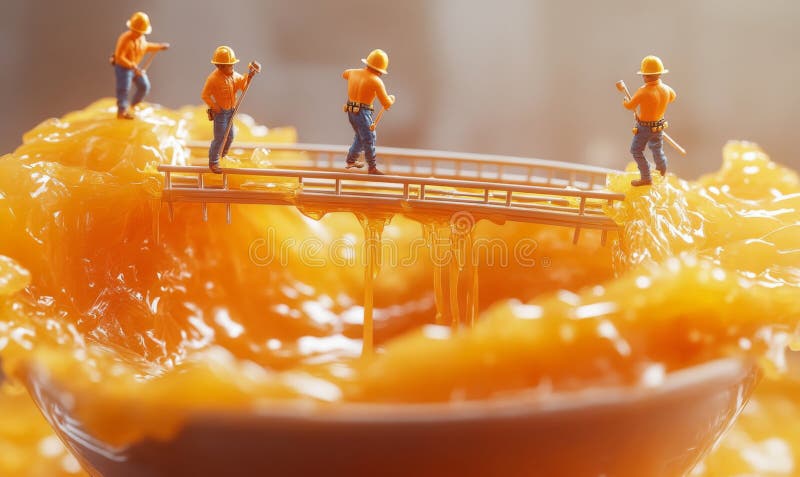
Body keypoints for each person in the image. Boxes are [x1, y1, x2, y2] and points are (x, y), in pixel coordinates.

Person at [201, 46, 260, 173]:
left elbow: (243, 85)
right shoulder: (213, 79)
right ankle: (213, 162)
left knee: (231, 136)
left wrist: (249, 76)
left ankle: (223, 156)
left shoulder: (234, 75)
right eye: (229, 65)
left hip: (231, 112)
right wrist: (213, 105)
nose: (232, 68)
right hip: (220, 113)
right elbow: (204, 95)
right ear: (220, 66)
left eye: (232, 65)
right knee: (219, 138)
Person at [623, 55, 677, 187]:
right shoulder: (667, 89)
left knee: (636, 150)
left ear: (645, 76)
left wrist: (625, 101)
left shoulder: (643, 91)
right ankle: (661, 174)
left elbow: (630, 106)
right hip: (659, 126)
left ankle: (646, 177)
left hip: (645, 128)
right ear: (659, 73)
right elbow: (672, 98)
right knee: (657, 150)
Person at [342, 49, 396, 175]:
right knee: (369, 138)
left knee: (360, 137)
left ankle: (351, 160)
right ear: (381, 70)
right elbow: (386, 103)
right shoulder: (376, 81)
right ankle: (372, 167)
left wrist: (356, 76)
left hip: (351, 111)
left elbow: (344, 74)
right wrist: (392, 99)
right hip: (362, 112)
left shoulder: (353, 72)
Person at [112, 12, 169, 119]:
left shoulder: (141, 39)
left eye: (140, 32)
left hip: (134, 67)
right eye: (136, 31)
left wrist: (159, 47)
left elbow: (146, 47)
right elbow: (119, 57)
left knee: (144, 86)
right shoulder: (124, 39)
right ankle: (122, 111)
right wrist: (131, 65)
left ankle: (134, 105)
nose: (138, 34)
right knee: (124, 88)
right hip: (123, 68)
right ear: (131, 29)